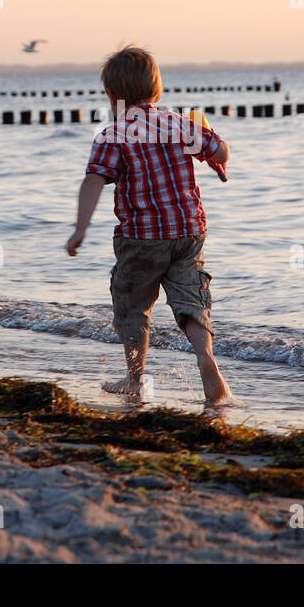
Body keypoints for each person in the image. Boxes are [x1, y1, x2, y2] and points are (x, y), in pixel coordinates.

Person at [65, 46, 235, 404]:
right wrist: (210, 137)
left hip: (140, 239)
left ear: (112, 94)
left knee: (132, 304)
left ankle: (135, 377)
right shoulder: (181, 125)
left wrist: (80, 229)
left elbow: (94, 180)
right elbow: (220, 153)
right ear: (156, 90)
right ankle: (206, 357)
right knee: (191, 299)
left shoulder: (113, 135)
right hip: (188, 232)